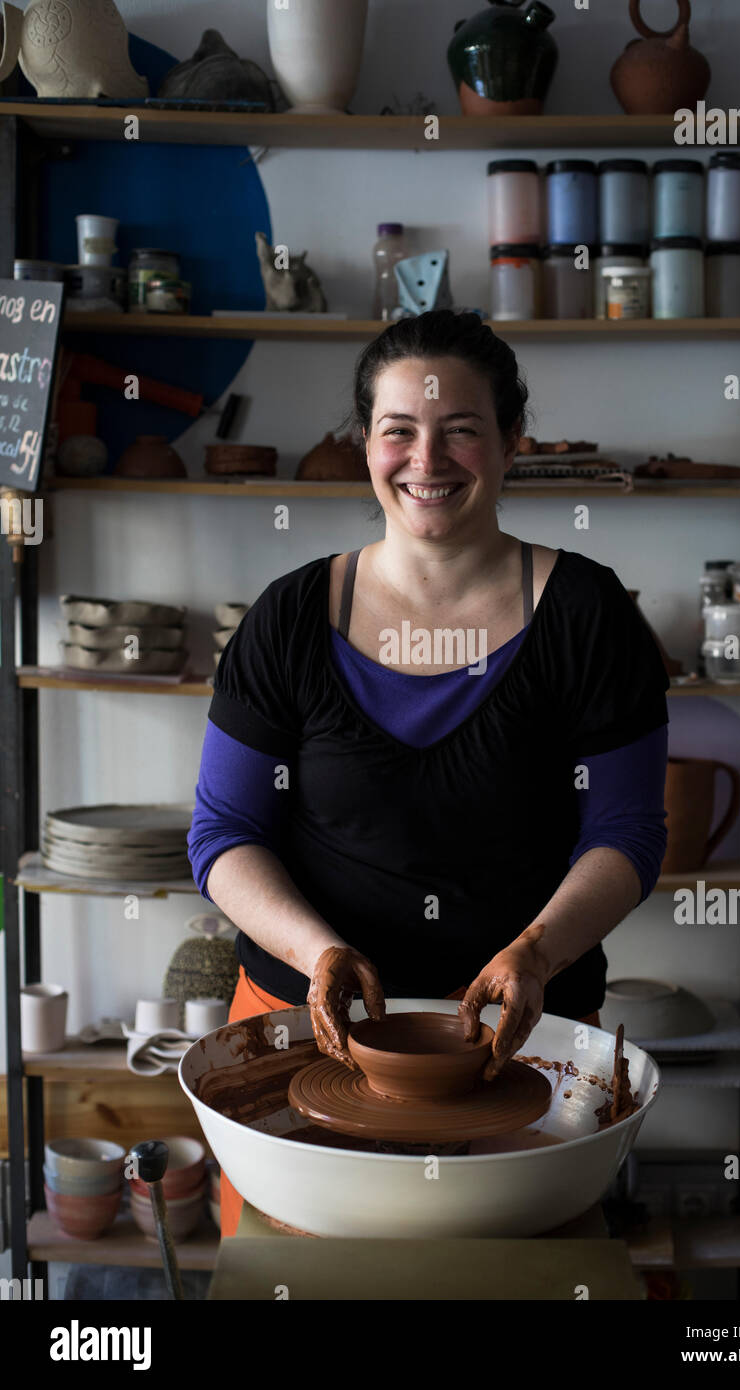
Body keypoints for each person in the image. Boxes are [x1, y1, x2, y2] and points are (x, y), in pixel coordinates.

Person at [188, 310, 669, 1236]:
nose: (427, 458)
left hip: (524, 1045)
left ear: (509, 443)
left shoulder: (587, 614)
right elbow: (223, 835)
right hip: (302, 1033)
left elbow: (628, 831)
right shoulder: (288, 619)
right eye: (398, 429)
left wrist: (534, 954)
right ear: (365, 443)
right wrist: (318, 954)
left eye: (460, 430)